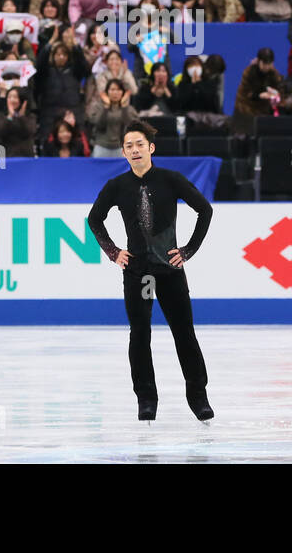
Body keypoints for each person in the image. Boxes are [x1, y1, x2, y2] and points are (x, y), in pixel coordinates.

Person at [86, 120, 214, 422]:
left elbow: (204, 210)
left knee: (184, 333)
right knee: (140, 335)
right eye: (128, 146)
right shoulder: (116, 186)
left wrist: (189, 250)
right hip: (137, 273)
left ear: (151, 148)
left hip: (169, 270)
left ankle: (198, 397)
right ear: (123, 152)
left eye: (139, 144)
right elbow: (94, 219)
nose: (134, 150)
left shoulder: (171, 179)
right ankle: (146, 400)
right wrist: (114, 252)